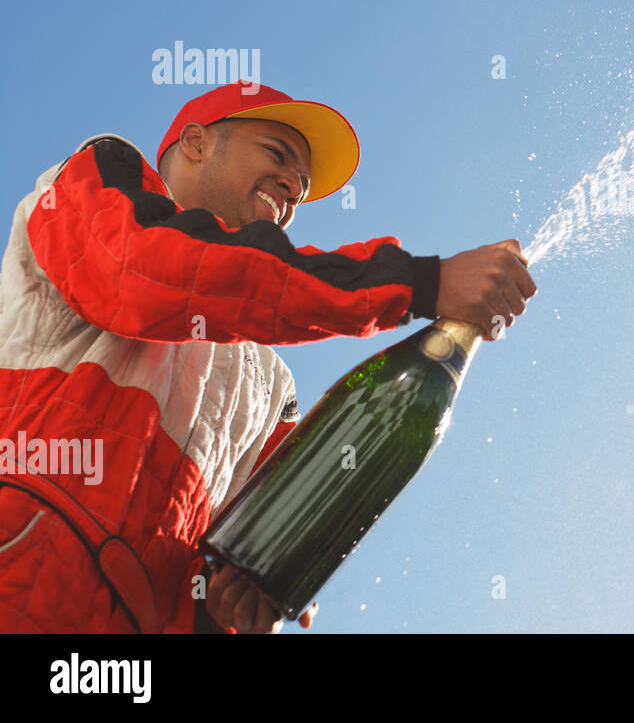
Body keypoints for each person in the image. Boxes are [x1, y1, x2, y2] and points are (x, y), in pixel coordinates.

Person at [0, 81, 536, 633]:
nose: (292, 186)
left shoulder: (270, 387)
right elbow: (148, 270)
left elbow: (231, 563)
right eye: (277, 155)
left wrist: (233, 605)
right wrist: (419, 282)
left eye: (301, 188)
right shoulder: (97, 176)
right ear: (195, 143)